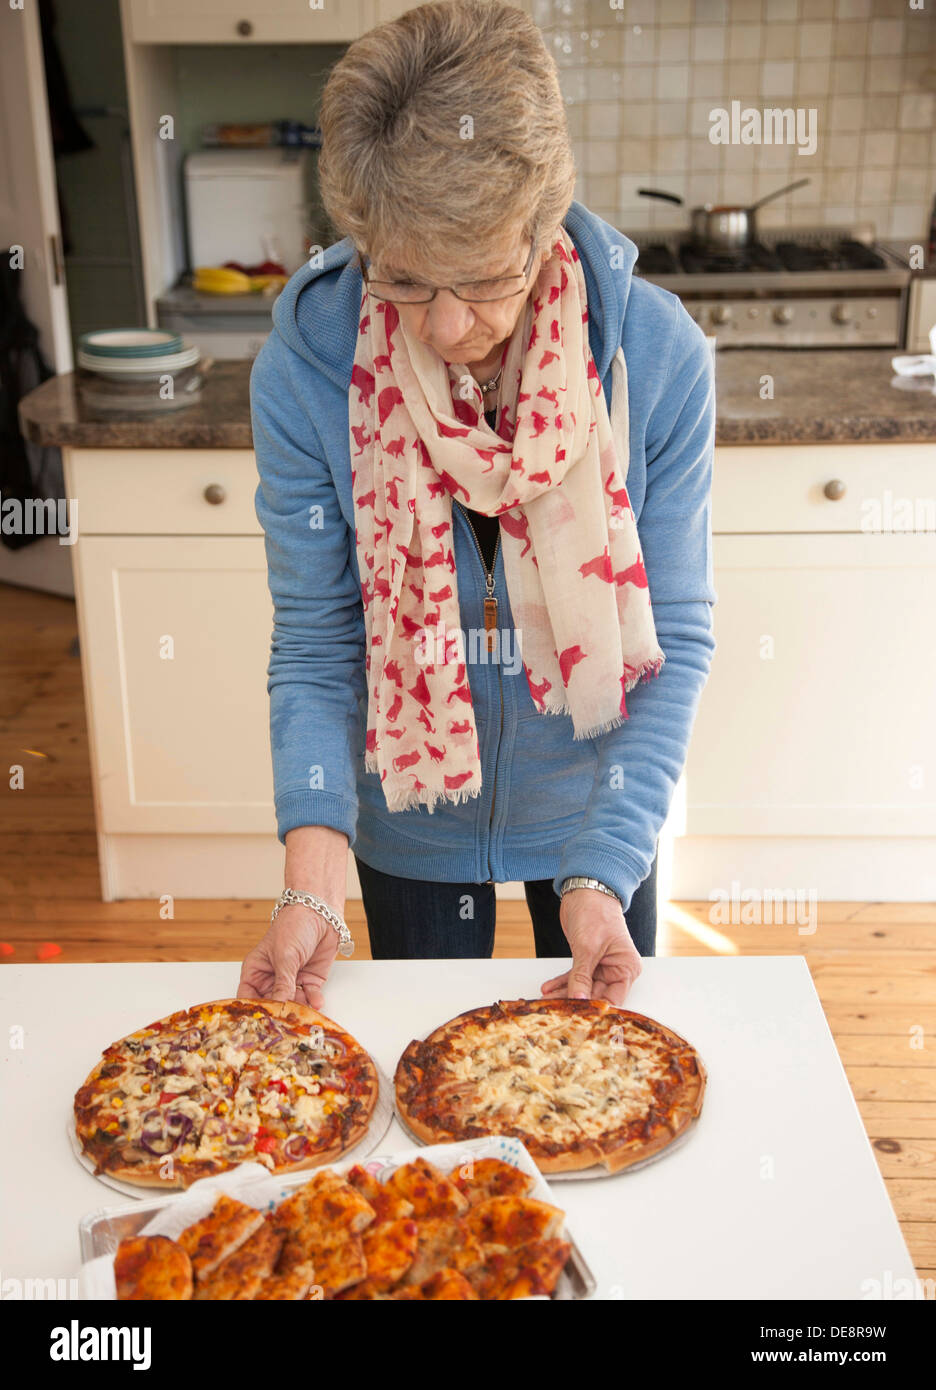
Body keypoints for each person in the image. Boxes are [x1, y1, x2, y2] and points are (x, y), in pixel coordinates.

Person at [237, 0, 715, 1010]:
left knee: (593, 1098)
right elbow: (322, 641)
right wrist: (312, 865)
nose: (449, 325)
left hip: (599, 799)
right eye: (405, 280)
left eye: (486, 278)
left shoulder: (657, 357)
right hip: (409, 809)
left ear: (546, 226)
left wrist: (607, 859)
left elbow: (672, 630)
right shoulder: (307, 371)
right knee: (428, 1102)